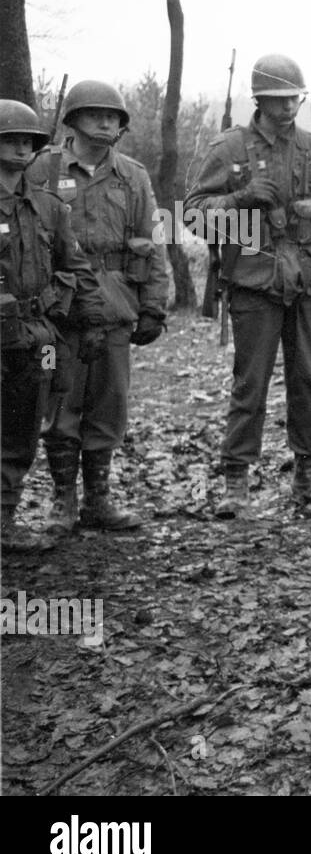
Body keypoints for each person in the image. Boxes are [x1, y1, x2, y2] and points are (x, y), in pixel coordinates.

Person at [185, 53, 311, 518]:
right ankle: (237, 484)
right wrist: (241, 199)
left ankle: (308, 476)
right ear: (259, 99)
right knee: (250, 385)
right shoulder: (230, 148)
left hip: (307, 282)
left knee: (309, 381)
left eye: (293, 99)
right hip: (253, 281)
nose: (287, 108)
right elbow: (193, 214)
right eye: (278, 99)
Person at [25, 80, 169, 534]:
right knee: (57, 400)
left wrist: (154, 305)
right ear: (73, 120)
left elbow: (154, 241)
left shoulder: (133, 176)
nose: (106, 122)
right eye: (95, 115)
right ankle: (63, 500)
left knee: (109, 403)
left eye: (114, 116)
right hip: (55, 310)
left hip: (115, 302)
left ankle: (99, 500)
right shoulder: (40, 170)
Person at [0, 100, 108, 552]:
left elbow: (75, 264)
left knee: (25, 423)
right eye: (11, 140)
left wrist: (95, 318)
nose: (23, 148)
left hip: (39, 337)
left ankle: (4, 521)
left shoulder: (48, 206)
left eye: (29, 141)